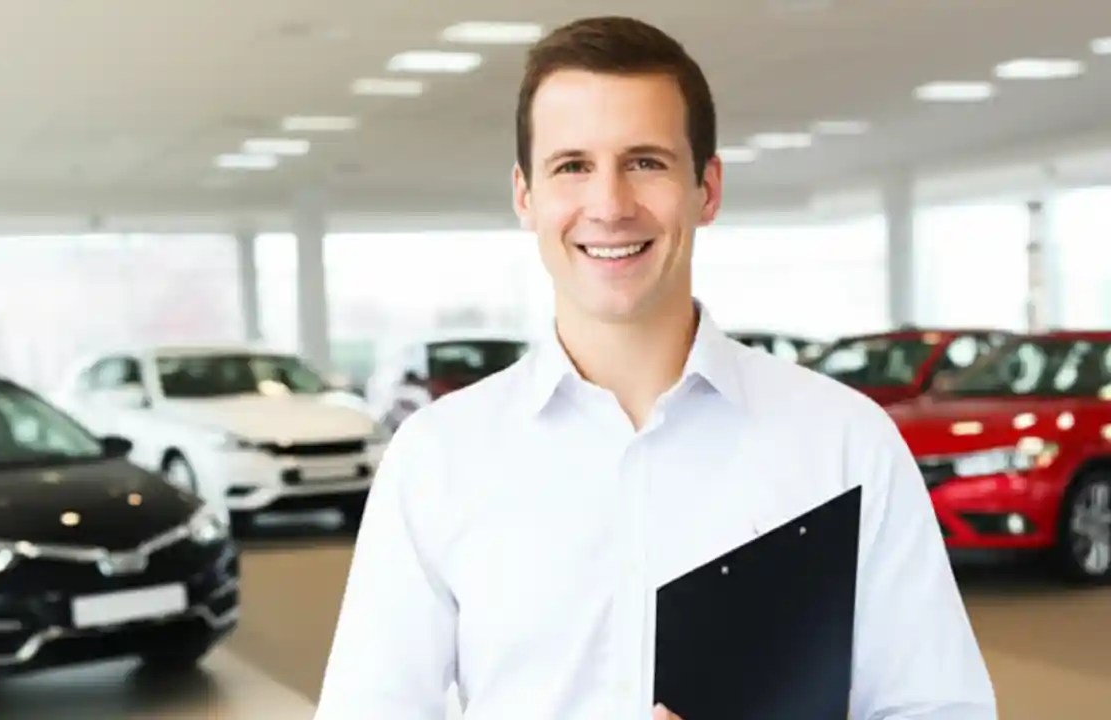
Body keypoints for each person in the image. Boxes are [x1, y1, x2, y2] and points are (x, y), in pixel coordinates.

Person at [315, 15, 996, 720]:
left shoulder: (845, 442)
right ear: (525, 196)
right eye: (572, 166)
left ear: (708, 188)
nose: (610, 205)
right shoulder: (437, 458)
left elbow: (940, 708)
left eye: (645, 162)